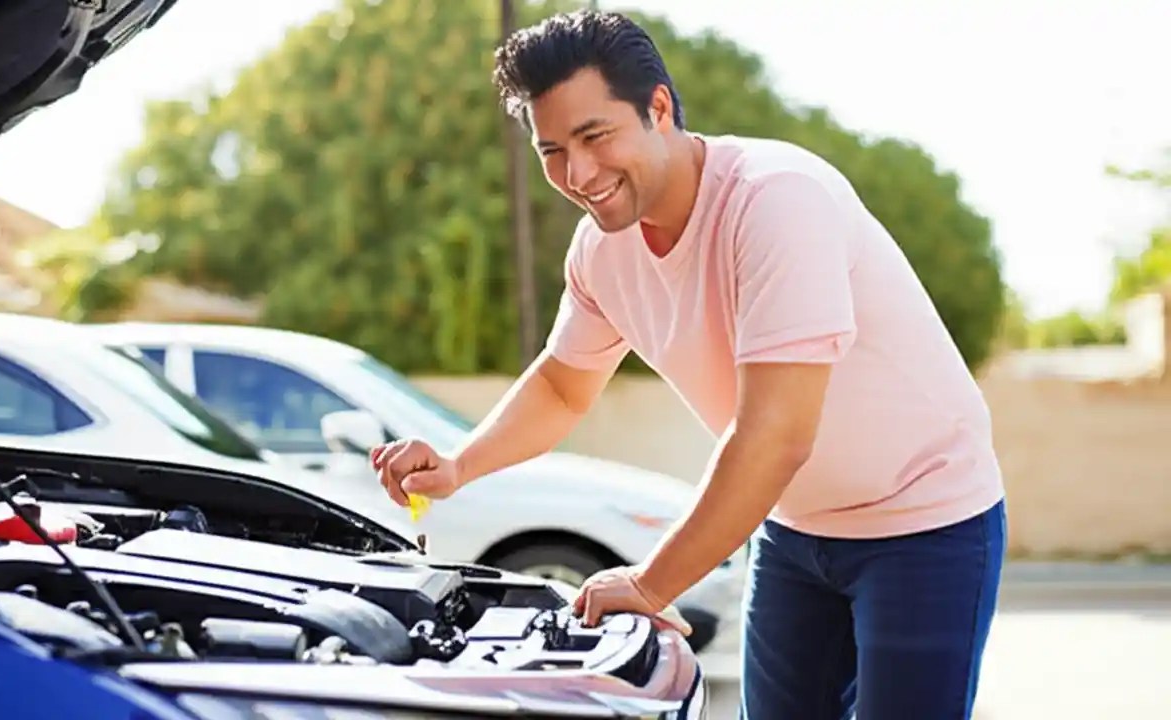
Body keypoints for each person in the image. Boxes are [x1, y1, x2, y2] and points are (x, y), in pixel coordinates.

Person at [371, 9, 1006, 719]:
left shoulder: (774, 201)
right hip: (794, 531)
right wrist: (460, 465)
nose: (578, 173)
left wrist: (651, 584)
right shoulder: (601, 251)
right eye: (552, 151)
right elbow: (560, 385)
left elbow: (776, 435)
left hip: (923, 525)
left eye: (594, 135)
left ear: (660, 108)